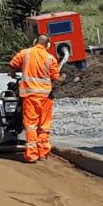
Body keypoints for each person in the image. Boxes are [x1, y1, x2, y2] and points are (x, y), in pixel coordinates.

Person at [8, 34, 63, 163]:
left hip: (30, 96)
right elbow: (55, 77)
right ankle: (43, 152)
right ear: (48, 45)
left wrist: (12, 74)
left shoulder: (25, 53)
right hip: (46, 97)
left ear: (34, 42)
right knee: (44, 126)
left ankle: (32, 155)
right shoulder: (51, 58)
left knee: (31, 125)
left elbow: (12, 64)